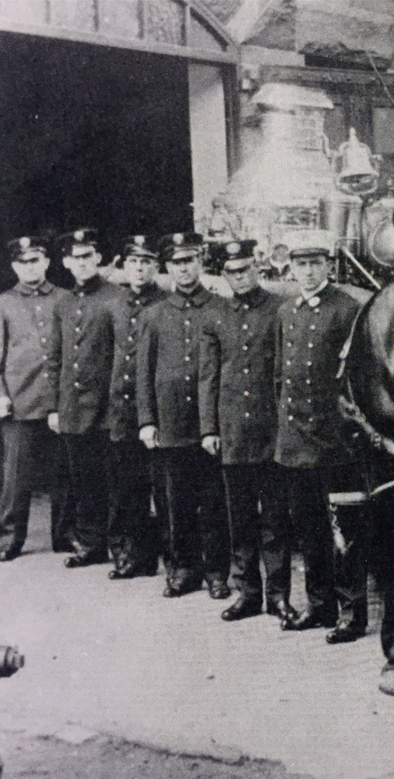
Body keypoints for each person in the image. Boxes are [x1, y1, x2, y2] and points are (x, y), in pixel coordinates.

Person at [274, 230, 369, 641]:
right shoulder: (287, 312)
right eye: (300, 264)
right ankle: (319, 606)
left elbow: (358, 377)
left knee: (345, 531)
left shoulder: (346, 309)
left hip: (336, 441)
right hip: (296, 441)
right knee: (309, 529)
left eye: (315, 263)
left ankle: (353, 612)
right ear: (291, 268)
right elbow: (281, 374)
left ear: (329, 265)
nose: (308, 272)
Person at [199, 240, 297, 624]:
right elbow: (209, 377)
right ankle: (248, 595)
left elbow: (285, 374)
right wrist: (209, 428)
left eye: (244, 269)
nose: (239, 277)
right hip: (232, 434)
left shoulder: (278, 310)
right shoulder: (216, 315)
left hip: (270, 433)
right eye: (231, 272)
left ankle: (278, 596)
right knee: (239, 520)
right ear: (223, 275)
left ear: (256, 268)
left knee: (275, 521)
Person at [137, 232, 231, 599]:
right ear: (168, 268)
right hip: (171, 422)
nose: (184, 268)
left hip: (212, 424)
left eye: (190, 261)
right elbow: (144, 371)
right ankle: (181, 568)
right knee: (175, 503)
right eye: (177, 262)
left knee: (213, 502)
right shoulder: (154, 314)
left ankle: (216, 572)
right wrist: (147, 420)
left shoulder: (221, 307)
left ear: (201, 263)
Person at [0, 235, 74, 561]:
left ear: (47, 262)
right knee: (16, 477)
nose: (29, 267)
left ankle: (64, 535)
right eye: (23, 262)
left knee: (63, 474)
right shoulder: (1, 304)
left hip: (59, 402)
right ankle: (10, 539)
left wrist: (65, 402)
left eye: (35, 260)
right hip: (19, 403)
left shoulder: (65, 299)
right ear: (13, 266)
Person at [47, 228, 125, 568]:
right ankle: (91, 545)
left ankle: (121, 546)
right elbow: (55, 358)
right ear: (66, 262)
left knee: (116, 481)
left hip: (107, 408)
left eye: (88, 256)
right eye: (75, 257)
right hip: (74, 408)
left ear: (98, 258)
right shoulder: (63, 302)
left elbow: (123, 354)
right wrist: (55, 405)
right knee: (84, 481)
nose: (82, 262)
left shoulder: (116, 296)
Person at [106, 234, 168, 579]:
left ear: (156, 267)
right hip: (123, 411)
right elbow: (104, 360)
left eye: (146, 262)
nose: (139, 268)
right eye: (133, 261)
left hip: (160, 412)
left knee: (163, 489)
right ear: (124, 266)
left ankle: (173, 558)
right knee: (128, 489)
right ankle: (133, 557)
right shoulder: (114, 305)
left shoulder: (168, 303)